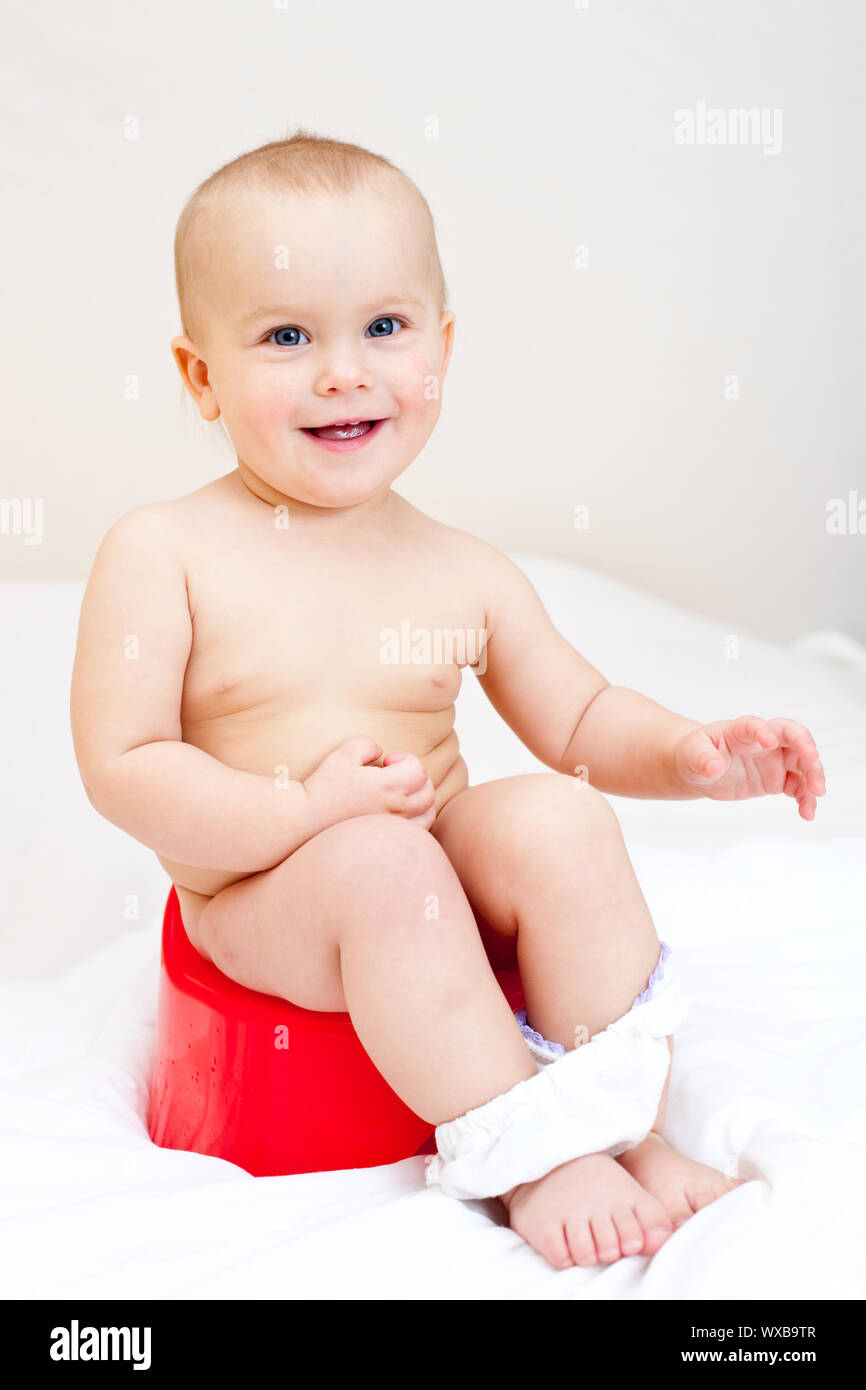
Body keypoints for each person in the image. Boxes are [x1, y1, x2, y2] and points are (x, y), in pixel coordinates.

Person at [70, 129, 825, 1270]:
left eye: (384, 326)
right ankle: (527, 1150)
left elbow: (575, 722)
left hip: (426, 869)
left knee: (559, 820)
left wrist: (686, 752)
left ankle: (619, 1124)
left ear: (442, 345)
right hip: (265, 894)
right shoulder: (165, 550)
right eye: (285, 336)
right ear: (199, 377)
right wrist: (302, 810)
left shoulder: (457, 565)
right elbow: (121, 762)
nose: (343, 371)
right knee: (378, 860)